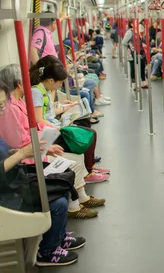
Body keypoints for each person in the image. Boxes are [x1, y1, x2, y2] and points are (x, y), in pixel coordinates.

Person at [0, 64, 104, 219]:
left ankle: (81, 198)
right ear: (19, 84)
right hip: (29, 156)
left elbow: (33, 125)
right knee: (72, 162)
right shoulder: (10, 108)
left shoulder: (19, 102)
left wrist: (48, 132)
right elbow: (18, 141)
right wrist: (45, 138)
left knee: (76, 156)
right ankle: (74, 207)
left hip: (36, 146)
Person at [0, 141, 84, 267]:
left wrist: (32, 152)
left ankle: (58, 238)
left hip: (12, 184)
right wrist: (22, 153)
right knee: (58, 204)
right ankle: (47, 253)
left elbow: (5, 155)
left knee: (61, 188)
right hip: (6, 198)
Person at [29, 58, 109, 185]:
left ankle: (90, 167)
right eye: (59, 82)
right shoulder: (36, 92)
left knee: (85, 127)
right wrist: (59, 128)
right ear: (51, 80)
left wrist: (67, 107)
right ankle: (88, 171)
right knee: (89, 134)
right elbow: (38, 119)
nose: (60, 85)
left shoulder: (45, 90)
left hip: (54, 125)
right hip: (49, 131)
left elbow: (48, 112)